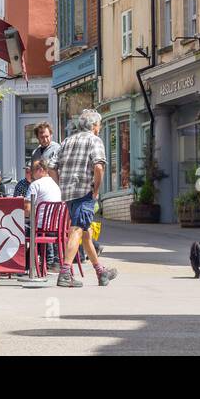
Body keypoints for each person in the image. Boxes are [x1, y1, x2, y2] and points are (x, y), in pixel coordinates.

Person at [55, 109, 117, 287]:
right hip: (84, 192)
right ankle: (65, 273)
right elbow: (98, 167)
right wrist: (96, 189)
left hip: (68, 193)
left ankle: (100, 272)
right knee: (76, 230)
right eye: (100, 124)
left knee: (86, 232)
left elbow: (52, 166)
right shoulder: (94, 140)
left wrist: (62, 184)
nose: (100, 128)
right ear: (94, 126)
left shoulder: (67, 141)